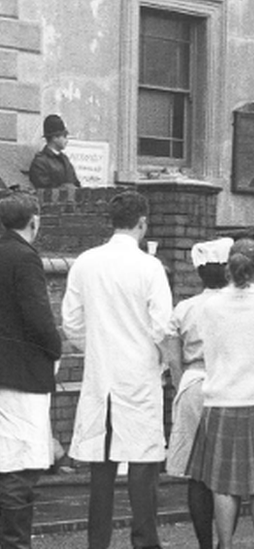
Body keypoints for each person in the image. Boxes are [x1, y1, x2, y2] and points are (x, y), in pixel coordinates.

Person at [62, 191, 173, 549]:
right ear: (142, 222)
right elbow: (162, 328)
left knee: (101, 467)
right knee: (143, 463)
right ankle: (145, 541)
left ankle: (98, 543)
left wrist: (96, 346)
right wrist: (165, 362)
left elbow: (71, 322)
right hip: (139, 375)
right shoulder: (150, 267)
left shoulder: (85, 262)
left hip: (102, 375)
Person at [187, 238, 254, 549]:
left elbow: (208, 344)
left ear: (229, 268)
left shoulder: (209, 307)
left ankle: (225, 545)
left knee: (223, 485)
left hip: (222, 401)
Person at [162, 237, 233, 549]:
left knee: (197, 472)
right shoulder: (239, 305)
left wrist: (182, 385)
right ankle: (224, 542)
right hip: (229, 385)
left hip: (194, 383)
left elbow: (173, 358)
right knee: (228, 470)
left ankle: (205, 544)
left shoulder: (185, 308)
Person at [0, 191, 61, 548]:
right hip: (21, 372)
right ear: (34, 221)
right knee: (18, 465)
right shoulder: (24, 258)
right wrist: (54, 347)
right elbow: (38, 316)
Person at [28, 114, 80, 189]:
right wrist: (65, 188)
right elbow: (44, 189)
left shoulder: (65, 159)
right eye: (64, 136)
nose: (67, 140)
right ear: (54, 138)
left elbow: (76, 183)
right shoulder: (40, 162)